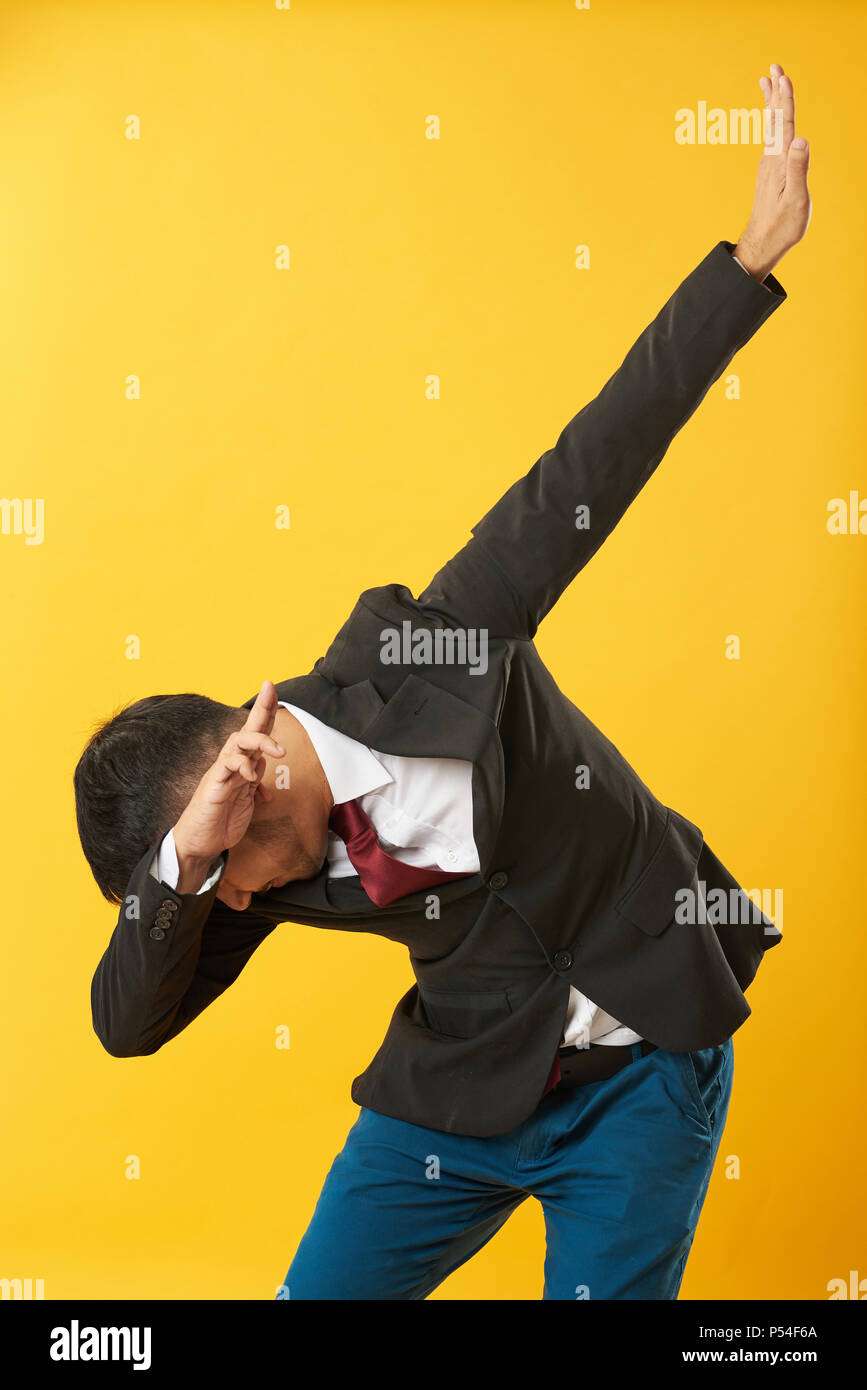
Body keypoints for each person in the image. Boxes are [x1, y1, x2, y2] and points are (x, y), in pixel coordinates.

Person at [76, 63, 810, 1299]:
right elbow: (126, 1024)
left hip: (644, 1069)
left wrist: (746, 262)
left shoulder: (433, 644)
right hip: (454, 1105)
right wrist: (181, 871)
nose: (243, 903)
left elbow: (590, 463)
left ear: (252, 775)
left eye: (229, 868)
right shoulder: (246, 873)